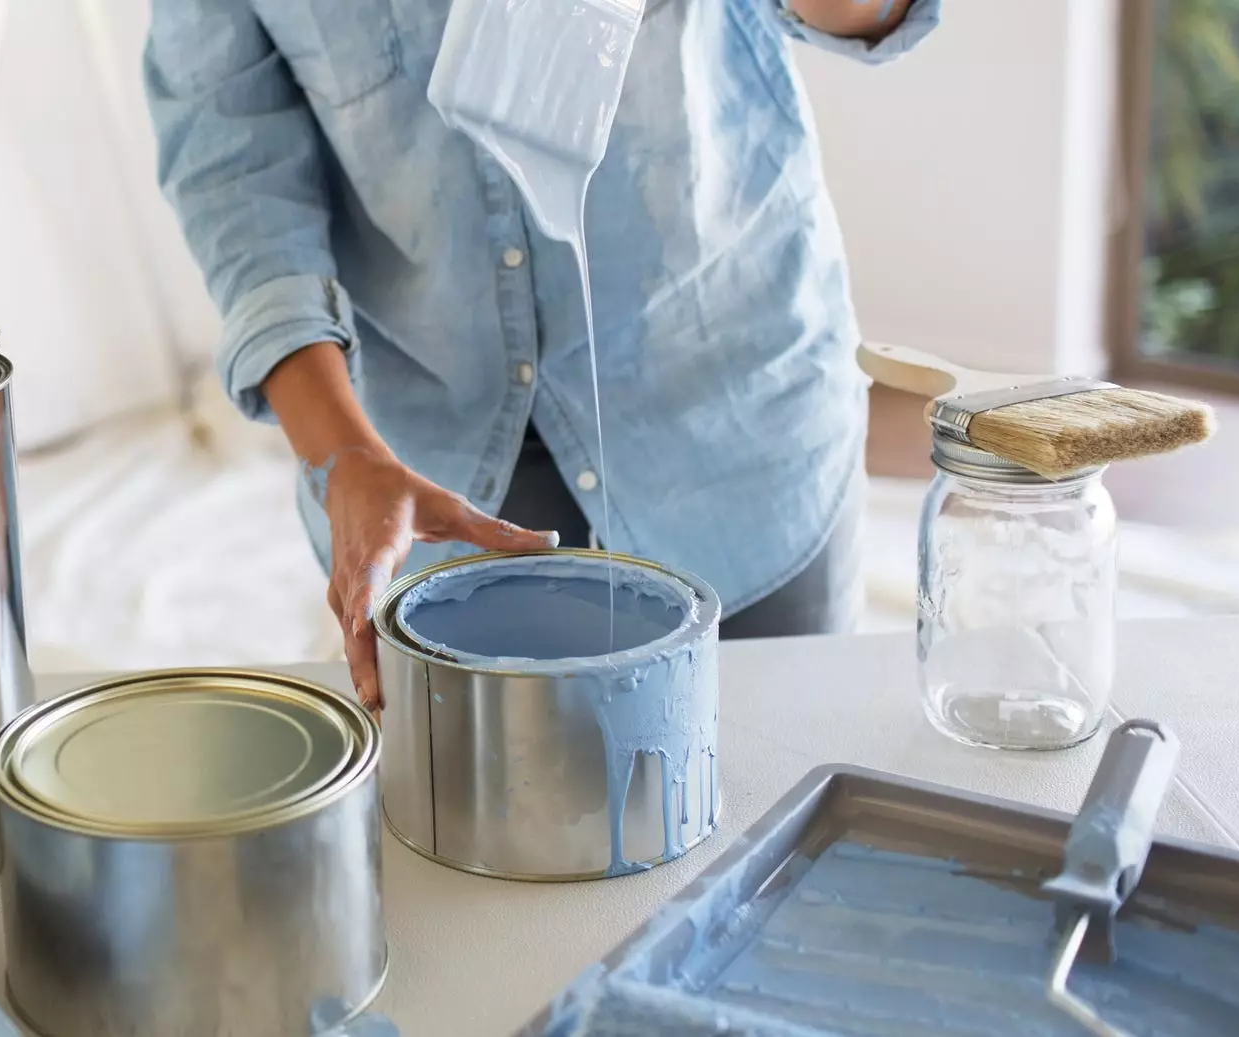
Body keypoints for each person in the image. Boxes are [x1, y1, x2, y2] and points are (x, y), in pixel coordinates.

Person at [144, 0, 939, 710]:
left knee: (779, 807)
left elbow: (862, 13)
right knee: (505, 846)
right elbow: (235, 179)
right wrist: (343, 454)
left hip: (735, 432)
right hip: (434, 476)